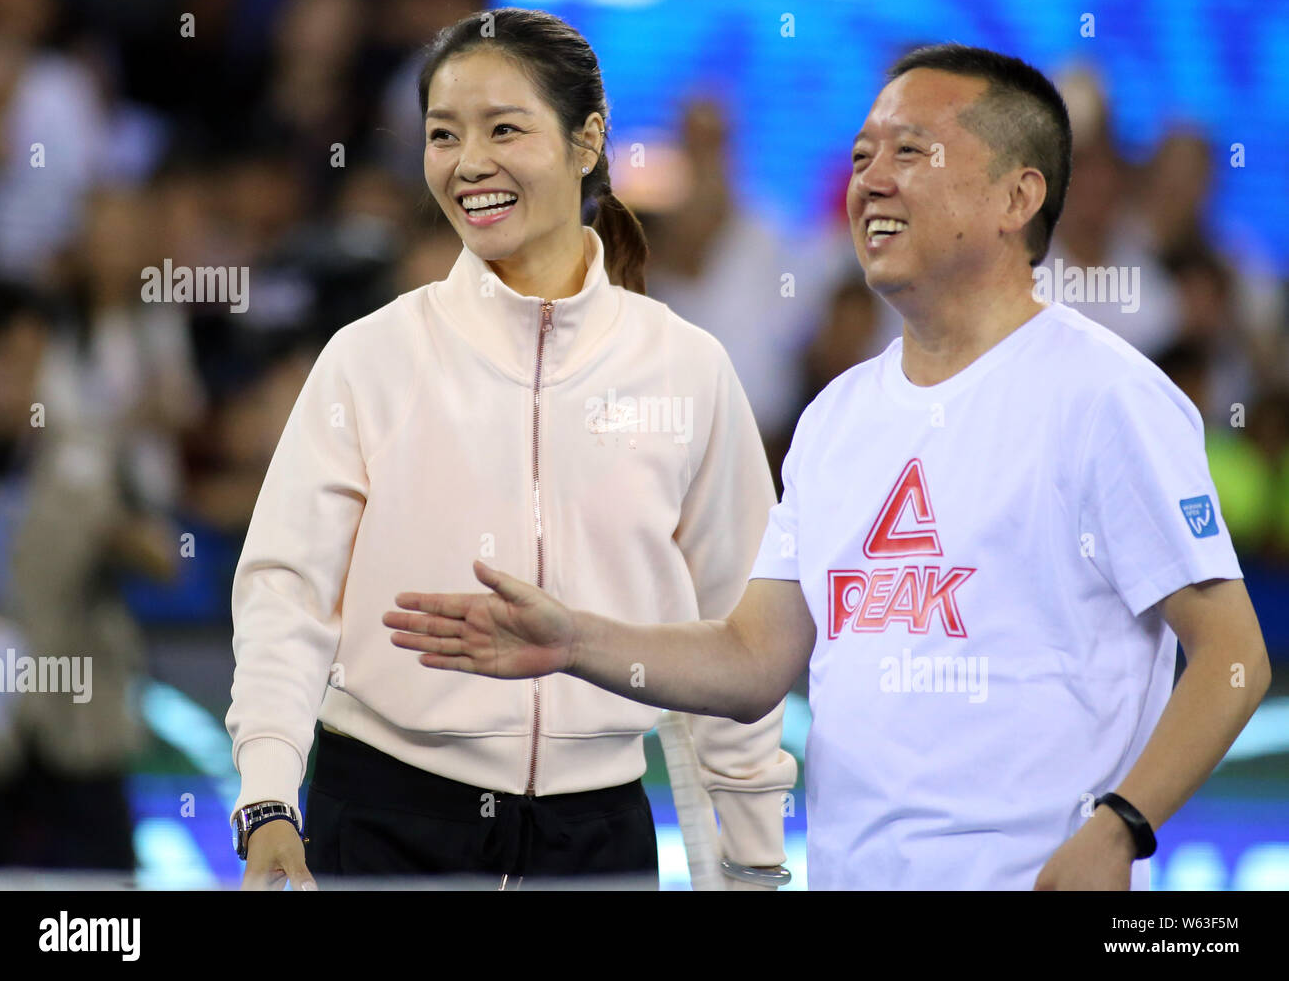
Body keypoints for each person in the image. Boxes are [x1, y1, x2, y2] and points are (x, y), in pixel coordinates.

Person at [386, 44, 1272, 891]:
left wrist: (1121, 824)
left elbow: (1235, 656)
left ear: (1017, 196)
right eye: (862, 155)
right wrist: (574, 641)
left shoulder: (1108, 396)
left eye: (911, 152)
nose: (871, 179)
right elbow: (751, 659)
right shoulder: (837, 418)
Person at [226, 8, 796, 892]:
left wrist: (756, 861)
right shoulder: (370, 357)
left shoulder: (687, 367)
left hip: (598, 834)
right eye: (443, 135)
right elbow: (285, 594)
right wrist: (267, 801)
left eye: (504, 129)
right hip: (383, 822)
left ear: (586, 140)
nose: (468, 163)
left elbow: (738, 637)